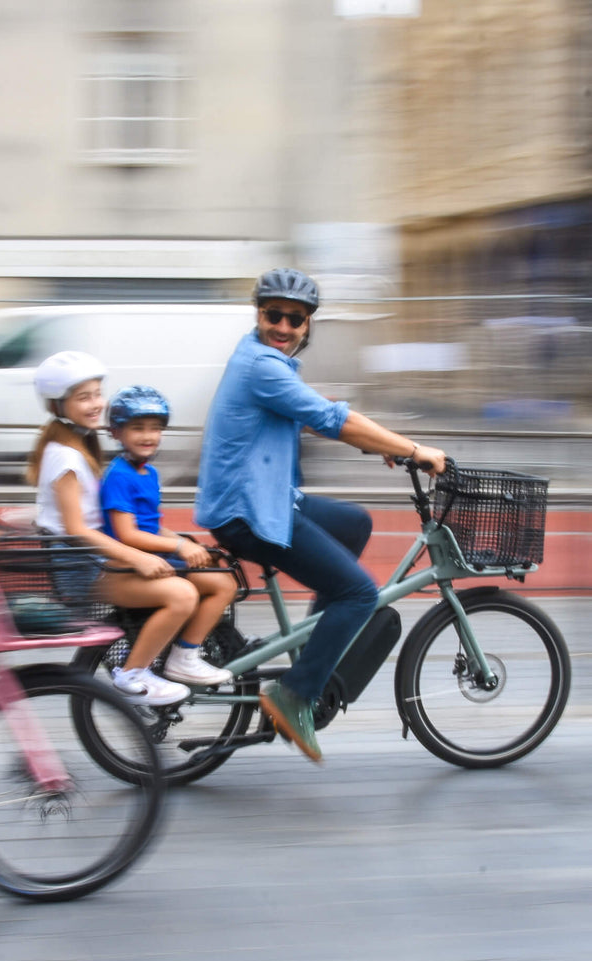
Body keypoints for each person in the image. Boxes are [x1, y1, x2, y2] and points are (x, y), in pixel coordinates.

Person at [195, 267, 447, 763]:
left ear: (307, 325)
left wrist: (384, 445)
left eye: (295, 319)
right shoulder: (262, 366)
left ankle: (310, 652)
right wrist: (414, 448)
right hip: (248, 512)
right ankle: (294, 695)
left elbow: (311, 413)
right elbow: (333, 420)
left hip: (266, 497)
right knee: (358, 593)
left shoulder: (269, 363)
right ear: (259, 314)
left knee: (355, 523)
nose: (284, 327)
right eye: (274, 315)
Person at [27, 351, 198, 706]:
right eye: (83, 397)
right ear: (59, 405)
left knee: (192, 576)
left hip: (91, 560)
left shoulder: (75, 448)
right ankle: (132, 673)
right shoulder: (66, 456)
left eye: (97, 393)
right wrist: (137, 558)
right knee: (181, 595)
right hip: (82, 570)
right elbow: (77, 529)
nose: (95, 404)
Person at [100, 385, 235, 687]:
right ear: (116, 433)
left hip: (153, 563)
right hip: (125, 569)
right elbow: (127, 534)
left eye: (155, 428)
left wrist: (187, 545)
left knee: (223, 583)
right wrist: (178, 545)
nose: (148, 436)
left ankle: (185, 655)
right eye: (137, 428)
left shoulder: (149, 473)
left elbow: (150, 526)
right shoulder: (119, 475)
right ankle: (132, 672)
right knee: (184, 596)